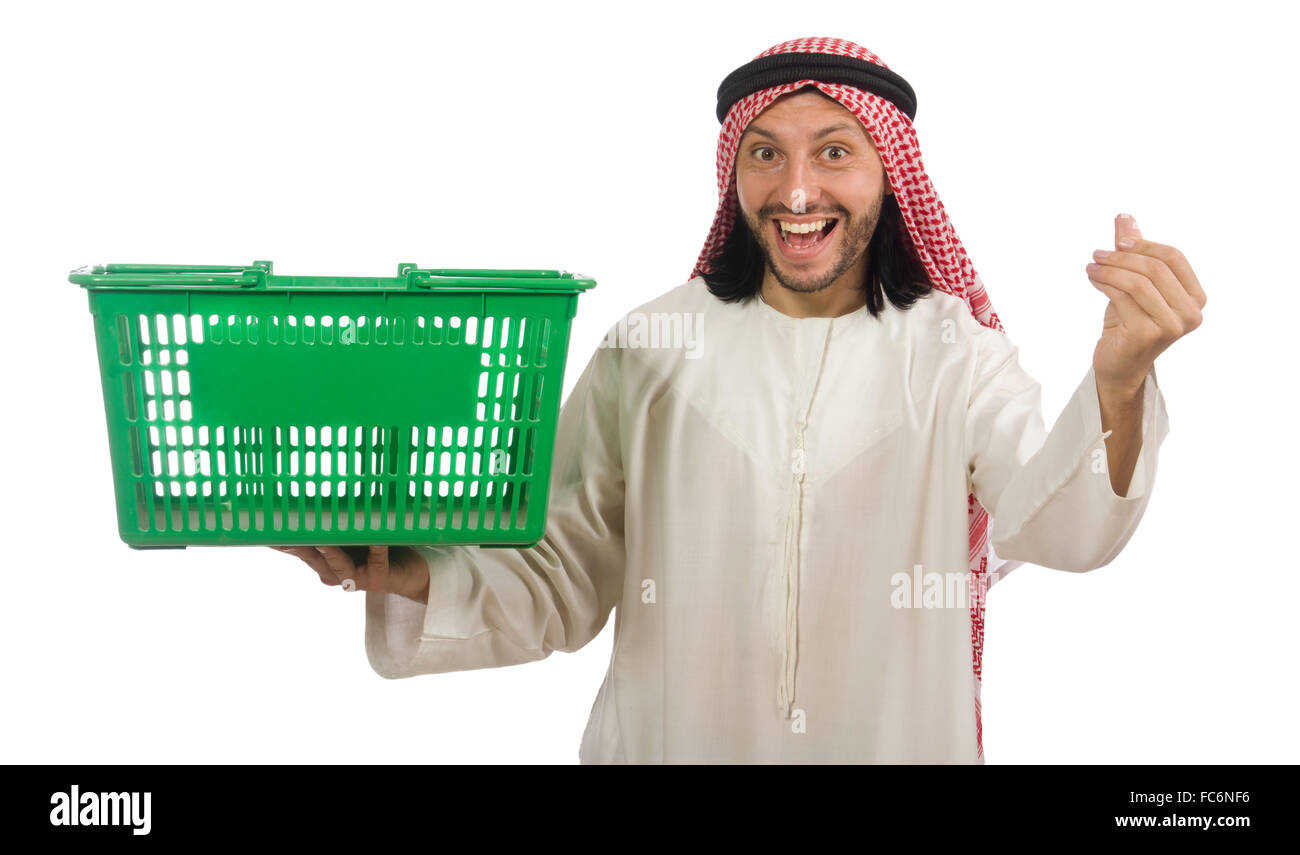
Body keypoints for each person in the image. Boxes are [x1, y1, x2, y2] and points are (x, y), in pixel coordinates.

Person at [275, 37, 1204, 763]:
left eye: (833, 152)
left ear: (888, 171)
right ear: (735, 172)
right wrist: (407, 571)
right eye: (766, 154)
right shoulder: (651, 349)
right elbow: (560, 576)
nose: (796, 190)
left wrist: (1119, 382)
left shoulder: (954, 353)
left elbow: (1060, 523)